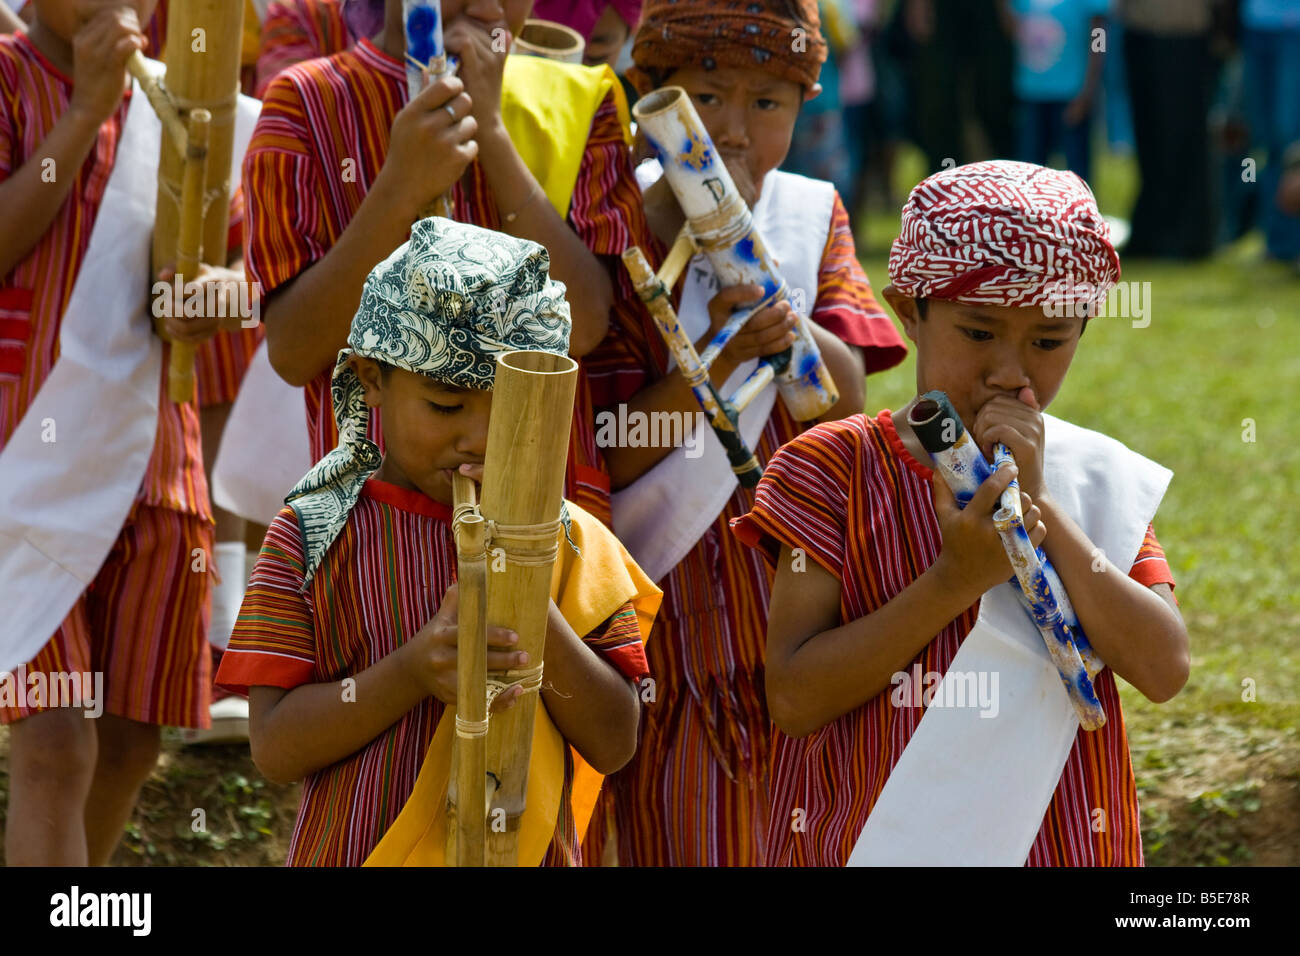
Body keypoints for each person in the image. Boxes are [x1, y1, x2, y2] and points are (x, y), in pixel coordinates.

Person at [732, 159, 1190, 866]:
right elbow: (793, 696)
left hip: (1052, 841)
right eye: (978, 333)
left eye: (1047, 341)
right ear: (909, 310)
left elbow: (1163, 667)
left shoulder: (1092, 478)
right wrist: (954, 582)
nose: (1010, 370)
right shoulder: (830, 469)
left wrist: (1040, 509)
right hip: (871, 835)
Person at [215, 217, 660, 866]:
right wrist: (413, 671)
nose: (478, 437)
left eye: (509, 407)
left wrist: (531, 603)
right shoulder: (313, 534)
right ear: (372, 379)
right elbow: (276, 746)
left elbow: (616, 740)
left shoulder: (572, 539)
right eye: (447, 406)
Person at [584, 0, 908, 866]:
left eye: (769, 102)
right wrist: (714, 368)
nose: (734, 130)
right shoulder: (612, 236)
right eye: (707, 97)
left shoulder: (809, 217)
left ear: (806, 104)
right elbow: (597, 449)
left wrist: (784, 321)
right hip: (664, 617)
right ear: (647, 92)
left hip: (796, 608)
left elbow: (845, 408)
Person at [0, 0, 252, 864]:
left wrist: (208, 297)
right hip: (30, 460)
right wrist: (82, 112)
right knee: (55, 746)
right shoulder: (8, 80)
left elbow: (225, 267)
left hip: (157, 466)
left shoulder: (189, 105)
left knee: (129, 744)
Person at [243, 0, 649, 527]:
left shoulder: (568, 100)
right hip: (378, 532)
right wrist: (400, 188)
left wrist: (494, 133)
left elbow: (585, 326)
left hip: (543, 517)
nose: (487, 7)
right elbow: (295, 351)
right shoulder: (309, 102)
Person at [1011, 0, 1109, 184]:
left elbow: (1100, 36)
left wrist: (1089, 91)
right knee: (1026, 176)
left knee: (1077, 175)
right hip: (1031, 95)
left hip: (1071, 96)